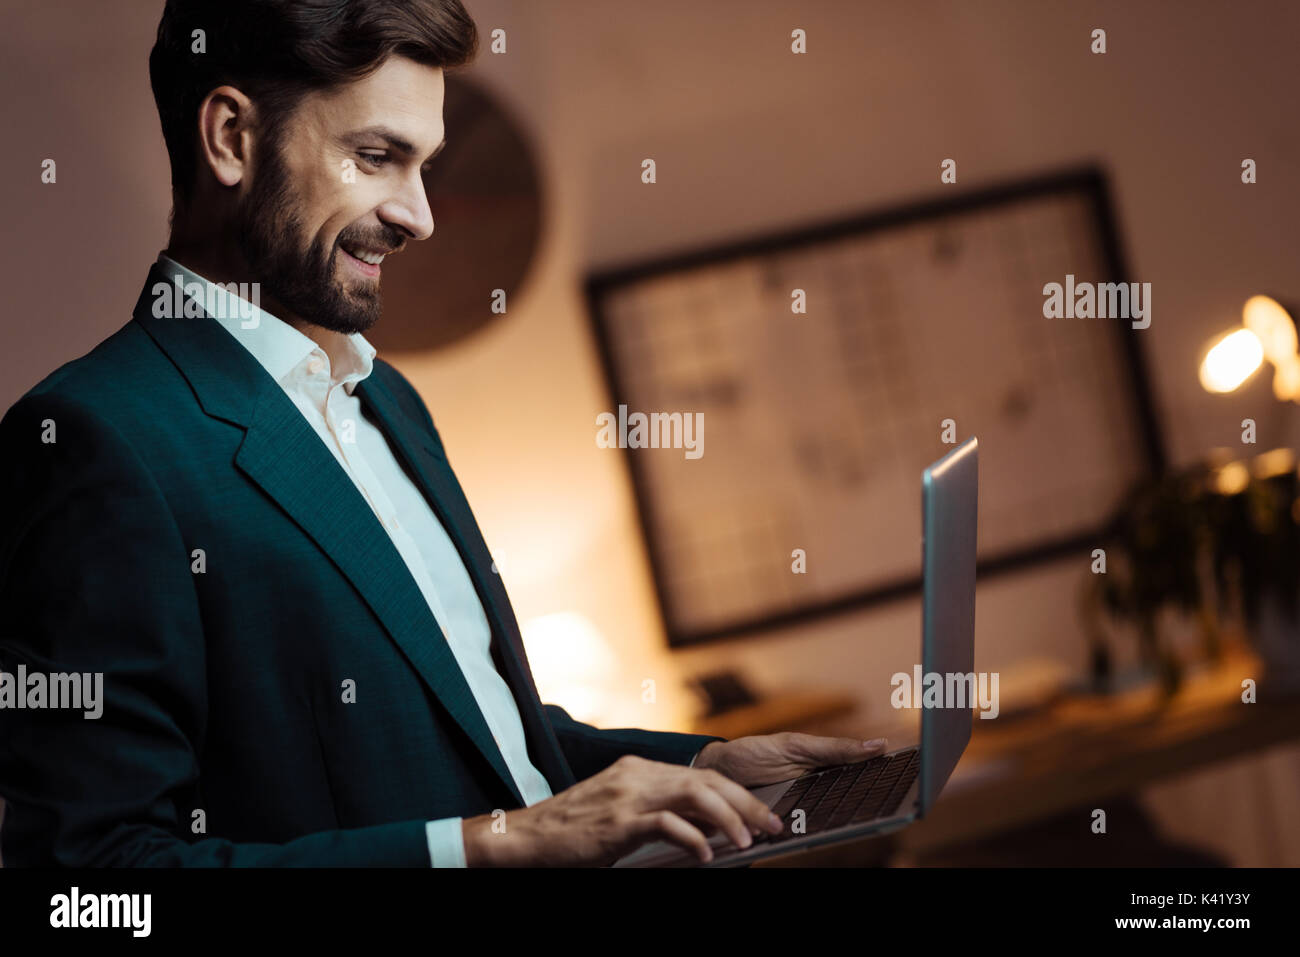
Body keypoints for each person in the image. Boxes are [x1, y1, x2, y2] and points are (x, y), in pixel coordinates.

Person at [0, 0, 884, 867]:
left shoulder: (392, 401)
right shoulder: (95, 441)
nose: (418, 215)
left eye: (423, 166)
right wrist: (487, 850)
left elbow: (483, 737)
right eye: (376, 156)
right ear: (231, 137)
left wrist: (701, 762)